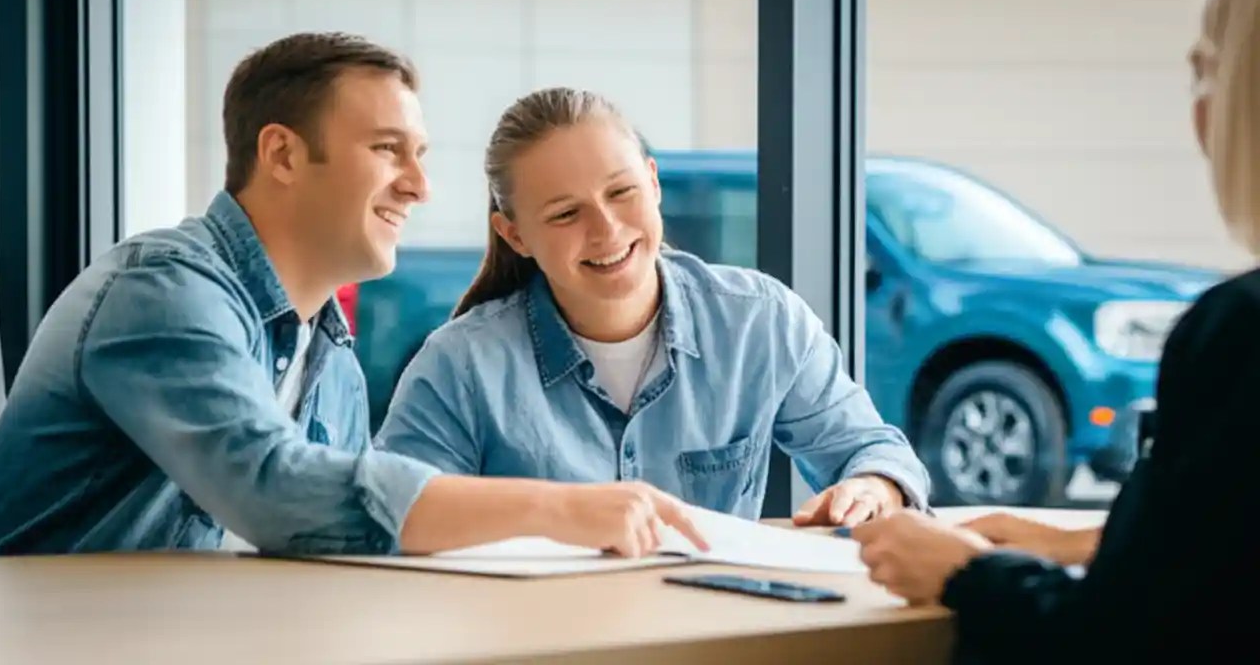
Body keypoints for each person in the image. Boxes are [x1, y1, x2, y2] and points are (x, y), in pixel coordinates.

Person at [0, 32, 706, 557]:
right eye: (388, 149)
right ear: (283, 154)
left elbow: (343, 557)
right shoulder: (162, 290)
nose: (420, 186)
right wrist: (560, 509)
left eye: (419, 156)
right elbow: (270, 488)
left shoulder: (337, 372)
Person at [848, 0, 1260, 659]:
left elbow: (1122, 643)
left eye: (1205, 73)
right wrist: (1083, 541)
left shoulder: (1242, 331)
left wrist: (963, 573)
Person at [377, 86, 930, 525]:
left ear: (654, 182)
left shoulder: (760, 322)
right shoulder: (460, 365)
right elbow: (391, 513)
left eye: (622, 193)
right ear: (515, 234)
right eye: (566, 214)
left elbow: (873, 449)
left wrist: (874, 487)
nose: (607, 230)